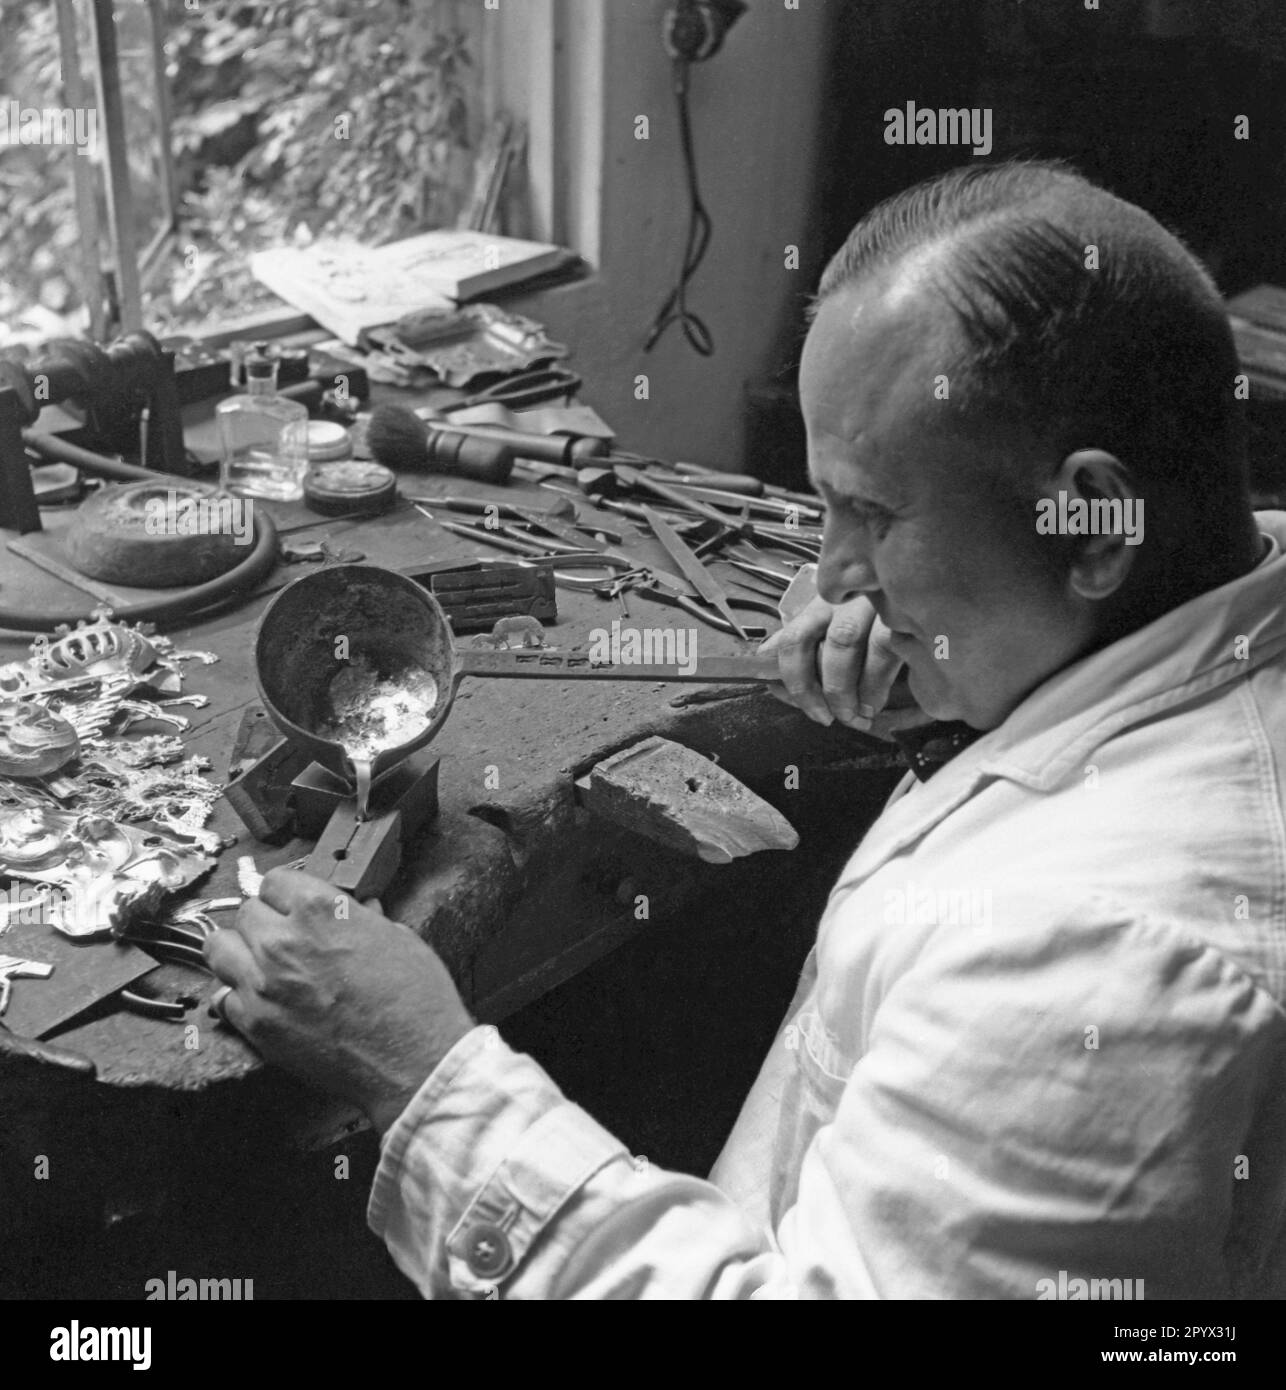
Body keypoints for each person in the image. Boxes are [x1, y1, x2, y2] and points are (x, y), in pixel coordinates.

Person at [206, 161, 1286, 1298]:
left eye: (868, 510)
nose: (824, 575)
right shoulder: (1196, 588)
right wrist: (972, 670)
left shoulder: (1097, 964)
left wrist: (422, 1072)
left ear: (1094, 530)